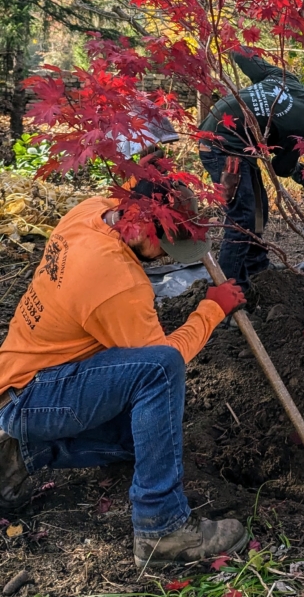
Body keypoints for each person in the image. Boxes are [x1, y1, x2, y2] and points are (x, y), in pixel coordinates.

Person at [0, 180, 248, 568]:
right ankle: (161, 527)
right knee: (160, 374)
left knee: (150, 437)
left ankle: (23, 452)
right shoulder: (115, 282)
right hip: (35, 397)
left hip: (27, 382)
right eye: (164, 244)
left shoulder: (91, 211)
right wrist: (211, 311)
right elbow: (163, 361)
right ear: (144, 226)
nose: (167, 257)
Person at [199, 52, 304, 287]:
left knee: (259, 210)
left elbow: (243, 56)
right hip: (223, 147)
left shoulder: (287, 80)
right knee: (242, 220)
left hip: (236, 144)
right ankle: (229, 290)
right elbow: (281, 167)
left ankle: (257, 268)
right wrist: (293, 166)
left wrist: (231, 44)